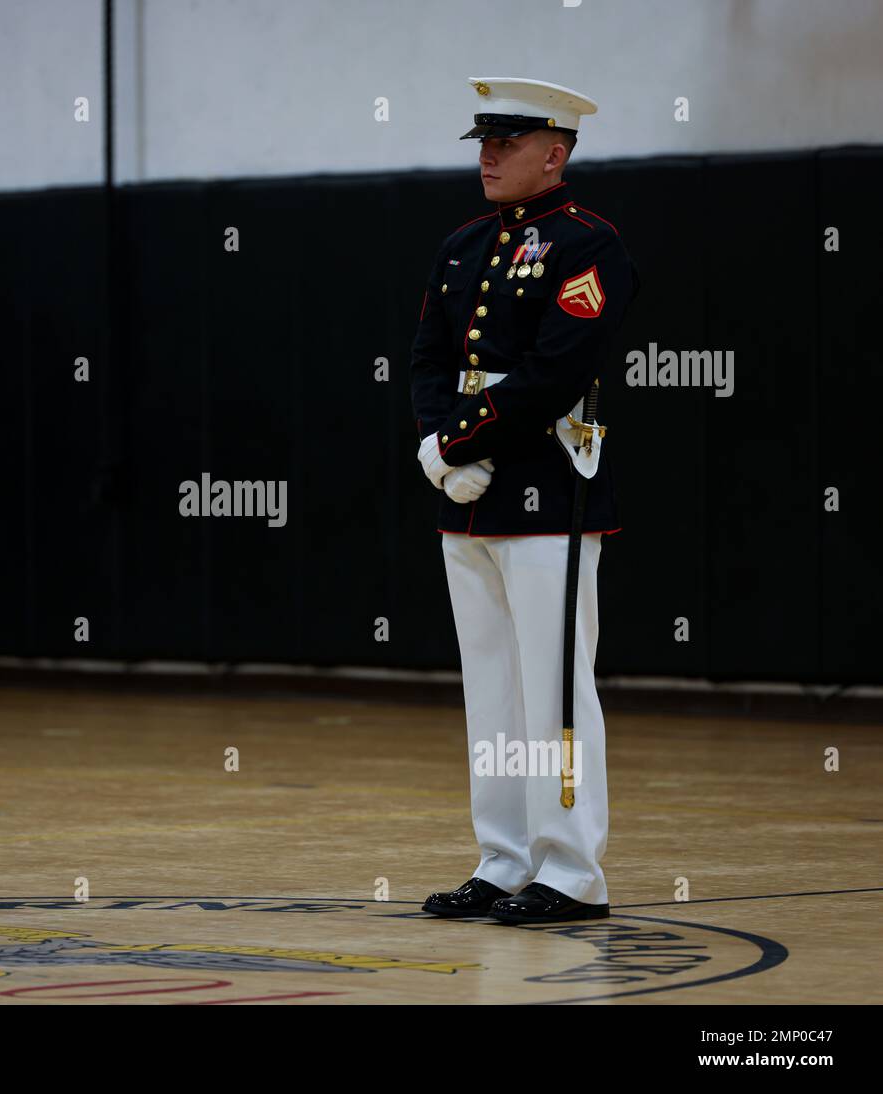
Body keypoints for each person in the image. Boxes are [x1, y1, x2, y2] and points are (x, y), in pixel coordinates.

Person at [409, 79, 640, 924]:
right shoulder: (464, 244)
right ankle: (504, 858)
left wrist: (457, 445)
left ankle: (572, 872)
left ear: (557, 151)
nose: (488, 155)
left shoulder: (590, 246)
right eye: (483, 141)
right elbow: (430, 358)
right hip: (466, 500)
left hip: (546, 495)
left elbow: (554, 375)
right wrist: (438, 454)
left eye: (507, 142)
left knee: (555, 692)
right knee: (494, 692)